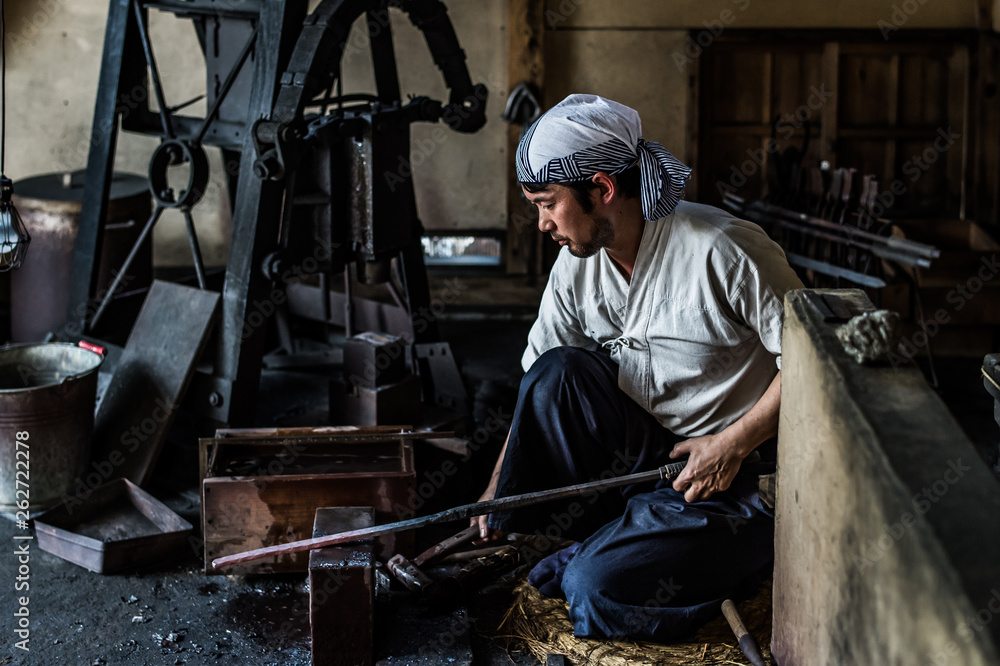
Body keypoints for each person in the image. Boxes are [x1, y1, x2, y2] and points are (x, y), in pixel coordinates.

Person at [472, 94, 804, 642]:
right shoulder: (575, 268)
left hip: (730, 480)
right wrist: (496, 489)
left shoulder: (724, 249)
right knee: (557, 374)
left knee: (593, 588)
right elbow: (539, 389)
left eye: (547, 203)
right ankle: (616, 533)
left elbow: (812, 363)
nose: (540, 223)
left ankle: (633, 552)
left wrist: (734, 443)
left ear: (602, 189)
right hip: (647, 459)